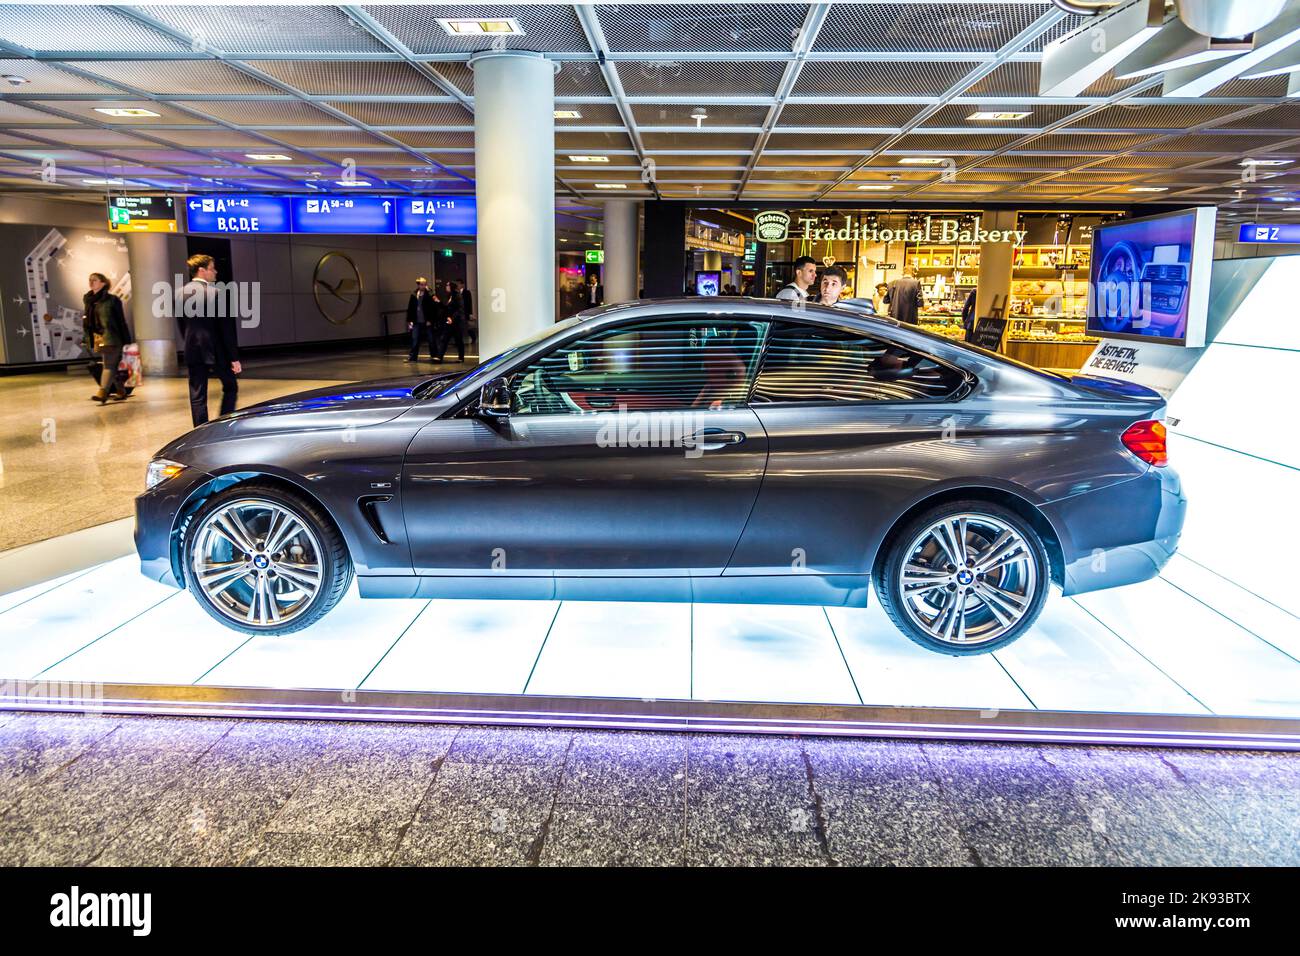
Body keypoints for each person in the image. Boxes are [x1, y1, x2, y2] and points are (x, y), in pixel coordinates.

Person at [179, 253, 240, 426]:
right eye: (212, 268)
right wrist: (234, 357)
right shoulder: (216, 293)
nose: (216, 272)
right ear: (201, 270)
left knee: (197, 394)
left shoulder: (178, 294)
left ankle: (200, 430)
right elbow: (226, 329)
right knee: (231, 387)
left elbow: (183, 326)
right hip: (216, 350)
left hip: (192, 349)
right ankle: (223, 423)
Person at [82, 273, 133, 405]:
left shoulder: (112, 300)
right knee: (112, 365)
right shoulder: (88, 300)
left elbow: (121, 321)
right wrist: (86, 338)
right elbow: (88, 321)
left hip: (112, 337)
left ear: (104, 283)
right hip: (98, 338)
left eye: (95, 280)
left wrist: (126, 340)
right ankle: (121, 391)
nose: (91, 282)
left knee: (109, 365)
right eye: (90, 280)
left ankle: (103, 392)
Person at [405, 276, 438, 363]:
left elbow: (433, 308)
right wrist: (409, 320)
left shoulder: (429, 294)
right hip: (417, 320)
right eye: (422, 285)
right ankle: (413, 357)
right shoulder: (414, 294)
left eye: (425, 284)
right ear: (418, 285)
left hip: (427, 320)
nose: (424, 286)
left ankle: (434, 355)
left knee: (431, 339)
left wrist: (430, 320)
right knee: (415, 339)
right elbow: (410, 308)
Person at [438, 280, 467, 364]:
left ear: (451, 287)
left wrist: (452, 318)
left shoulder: (457, 296)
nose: (446, 287)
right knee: (444, 339)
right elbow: (447, 308)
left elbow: (459, 309)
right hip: (449, 322)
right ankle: (440, 357)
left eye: (447, 285)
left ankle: (461, 357)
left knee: (458, 340)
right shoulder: (449, 296)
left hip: (456, 323)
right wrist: (439, 302)